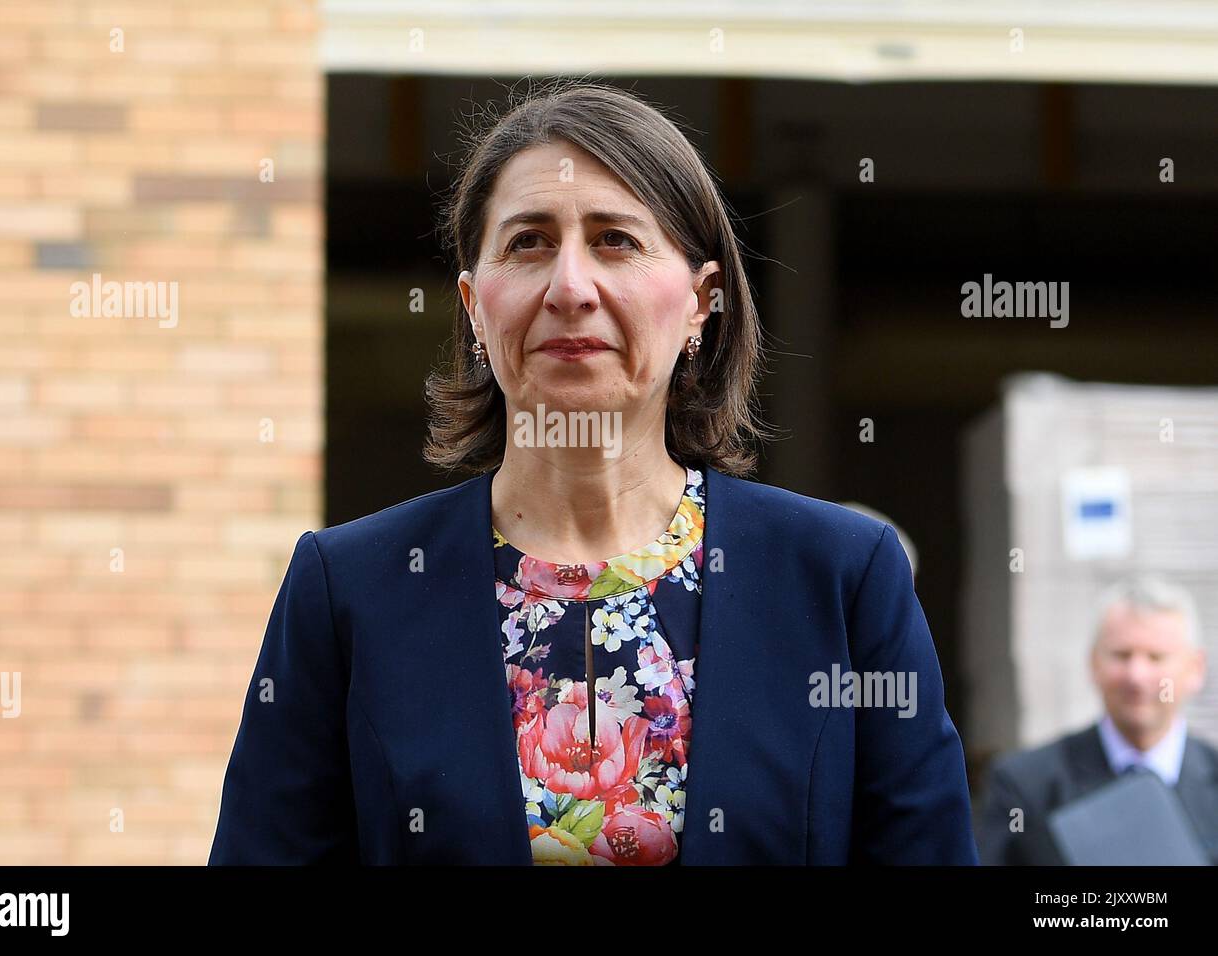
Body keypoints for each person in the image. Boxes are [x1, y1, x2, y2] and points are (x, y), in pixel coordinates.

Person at [208, 79, 977, 866]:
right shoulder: (348, 590)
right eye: (529, 242)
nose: (570, 288)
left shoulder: (843, 578)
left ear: (701, 303)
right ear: (475, 306)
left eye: (615, 240)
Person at [976, 574, 1218, 864]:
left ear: (1195, 669)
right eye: (1121, 655)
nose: (1136, 676)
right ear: (1093, 663)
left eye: (1156, 657)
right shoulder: (1025, 785)